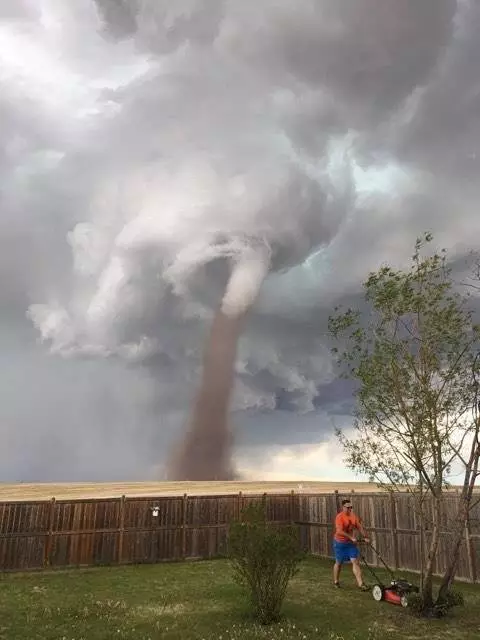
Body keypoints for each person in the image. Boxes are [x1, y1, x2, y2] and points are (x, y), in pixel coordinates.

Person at [333, 498, 369, 590]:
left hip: (350, 544)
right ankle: (336, 581)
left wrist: (365, 536)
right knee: (339, 563)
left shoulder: (353, 516)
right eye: (348, 507)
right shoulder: (339, 517)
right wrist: (351, 537)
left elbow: (359, 527)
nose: (350, 509)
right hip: (340, 543)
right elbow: (339, 531)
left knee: (355, 561)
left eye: (351, 507)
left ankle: (361, 584)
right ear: (343, 507)